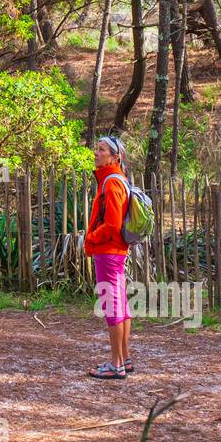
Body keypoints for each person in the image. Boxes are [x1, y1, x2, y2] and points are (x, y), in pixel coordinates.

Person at [84, 135, 132, 380]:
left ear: (115, 157)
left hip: (108, 251)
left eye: (101, 150)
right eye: (97, 149)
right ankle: (124, 358)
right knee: (120, 305)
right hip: (115, 251)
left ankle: (116, 365)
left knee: (112, 307)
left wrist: (91, 237)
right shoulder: (118, 180)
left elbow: (112, 225)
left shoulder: (112, 183)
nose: (96, 153)